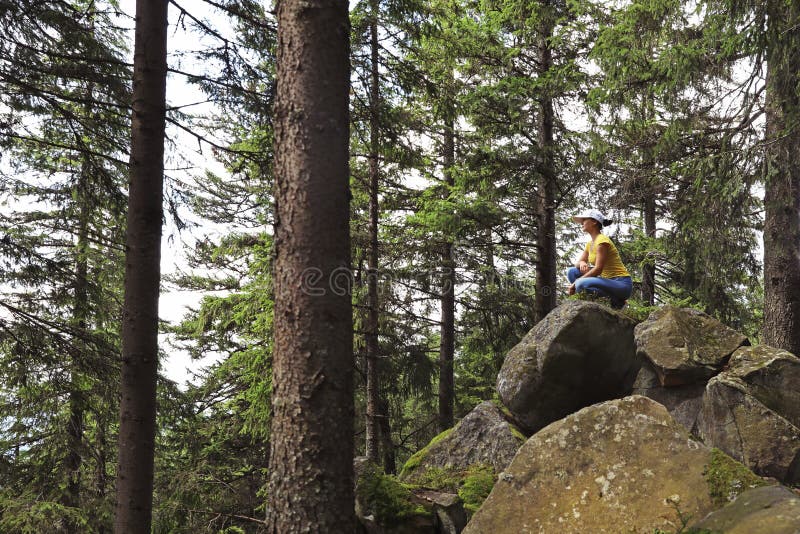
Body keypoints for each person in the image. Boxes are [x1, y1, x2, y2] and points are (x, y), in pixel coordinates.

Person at [567, 209, 632, 309]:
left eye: (584, 220)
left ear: (594, 222)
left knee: (580, 283)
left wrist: (576, 282)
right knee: (572, 272)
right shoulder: (590, 244)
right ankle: (615, 299)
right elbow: (578, 263)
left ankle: (617, 299)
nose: (582, 223)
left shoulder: (602, 241)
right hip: (606, 281)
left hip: (621, 283)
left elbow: (598, 269)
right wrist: (582, 262)